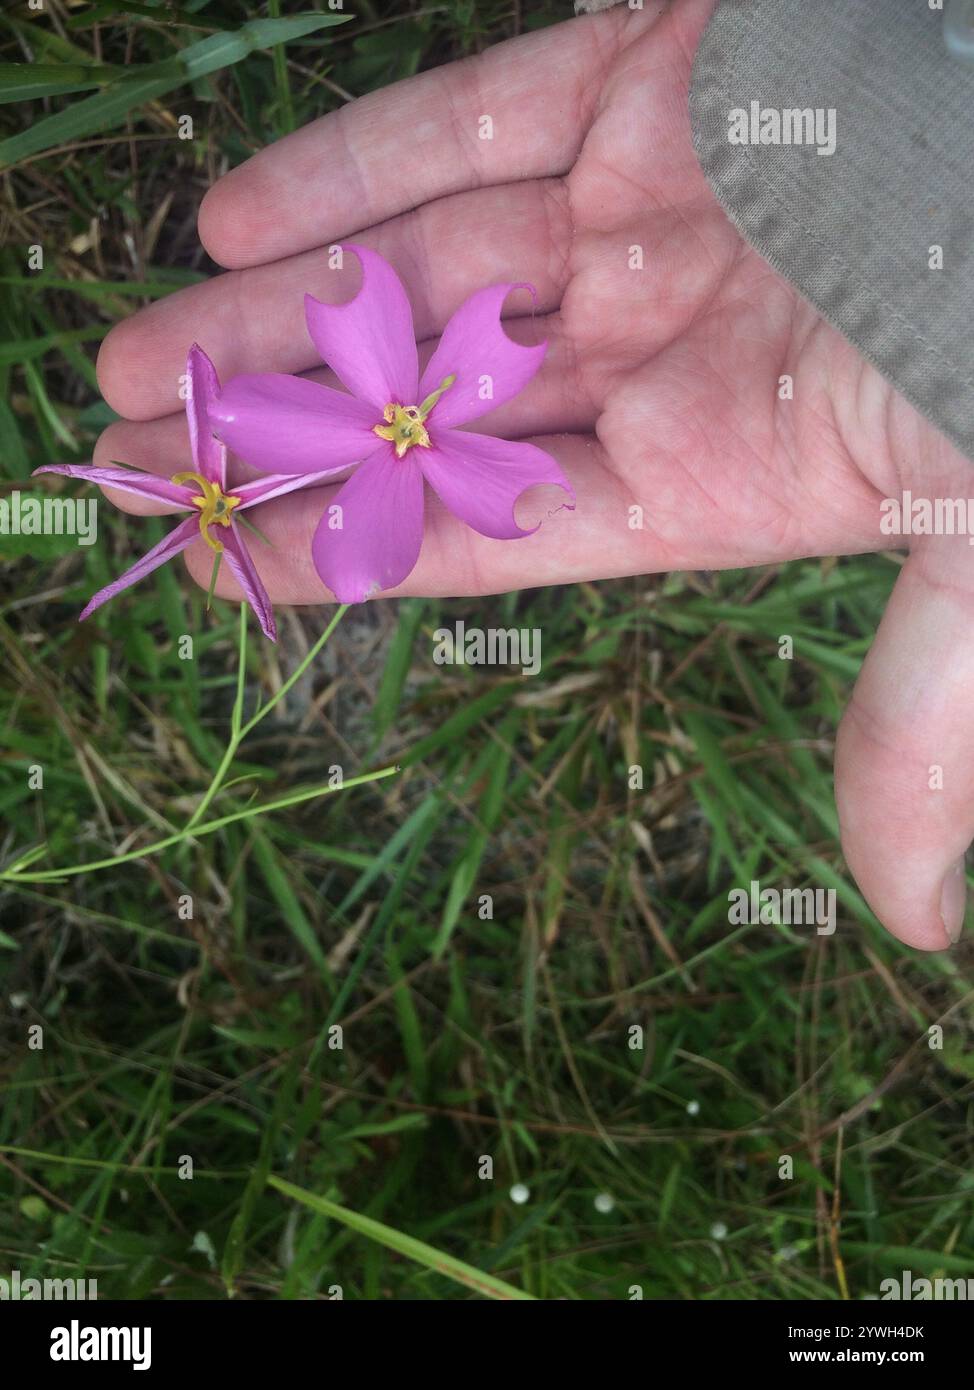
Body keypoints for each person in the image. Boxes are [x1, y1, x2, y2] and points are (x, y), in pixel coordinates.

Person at [91, 0, 972, 952]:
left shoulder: (439, 409)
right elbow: (249, 414)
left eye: (403, 420)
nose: (401, 423)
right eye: (400, 422)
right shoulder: (349, 425)